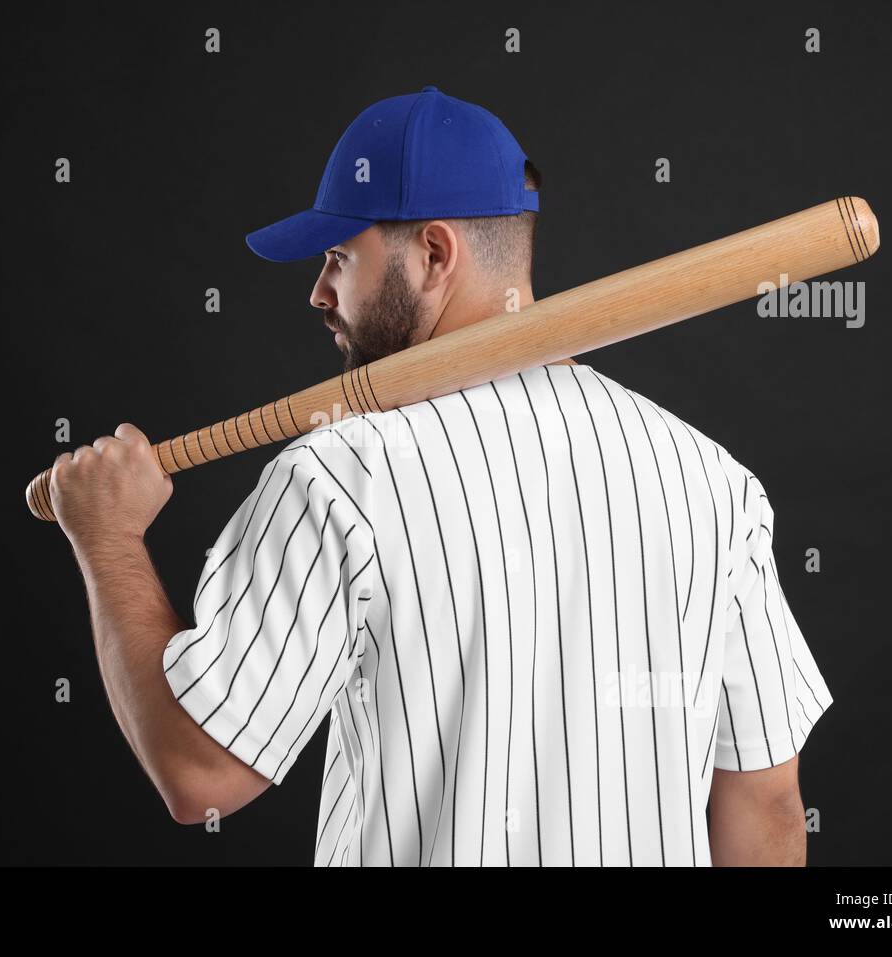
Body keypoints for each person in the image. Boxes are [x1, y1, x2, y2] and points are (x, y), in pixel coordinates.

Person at [48, 86, 833, 866]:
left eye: (338, 257)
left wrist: (108, 534)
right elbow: (764, 808)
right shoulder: (710, 480)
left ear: (433, 253)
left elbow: (199, 773)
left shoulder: (338, 475)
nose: (318, 293)